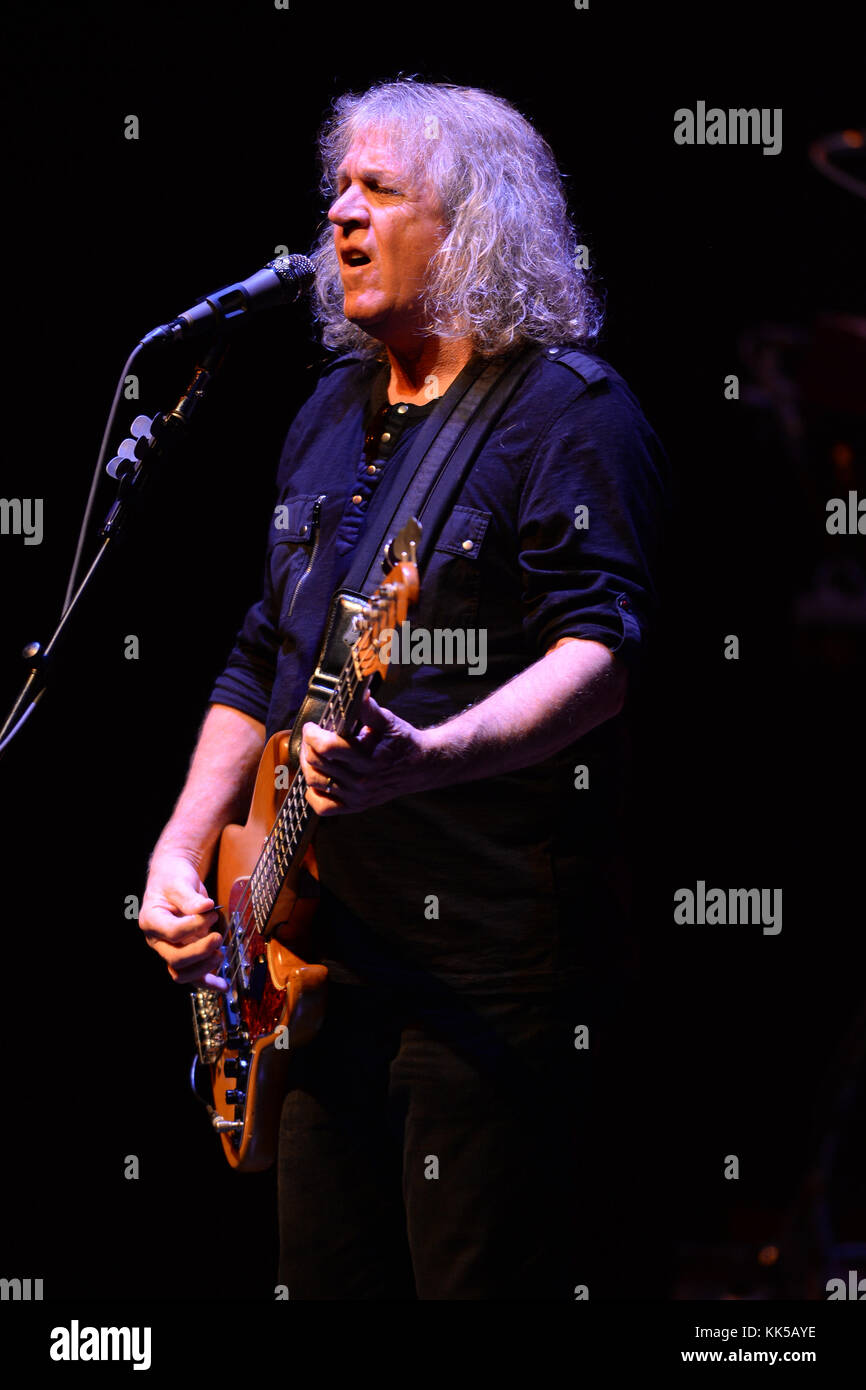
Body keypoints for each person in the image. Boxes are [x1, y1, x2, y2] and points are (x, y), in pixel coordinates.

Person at [139, 79, 670, 1300]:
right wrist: (179, 856)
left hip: (489, 979)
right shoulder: (327, 410)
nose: (339, 214)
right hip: (319, 973)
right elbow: (258, 652)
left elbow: (601, 655)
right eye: (336, 187)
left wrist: (429, 758)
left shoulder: (563, 414)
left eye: (378, 189)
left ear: (472, 221)